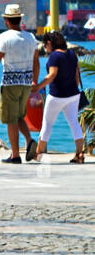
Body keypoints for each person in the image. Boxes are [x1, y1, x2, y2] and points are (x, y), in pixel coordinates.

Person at [0, 3, 40, 164]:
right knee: (19, 116)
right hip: (26, 83)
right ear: (20, 19)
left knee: (10, 119)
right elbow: (36, 62)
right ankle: (29, 140)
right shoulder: (31, 38)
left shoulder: (5, 37)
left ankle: (15, 155)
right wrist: (34, 80)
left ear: (7, 20)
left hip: (10, 84)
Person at [31, 31, 85, 164]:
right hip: (73, 94)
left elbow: (52, 75)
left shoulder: (55, 56)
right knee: (74, 123)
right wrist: (73, 90)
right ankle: (80, 154)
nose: (45, 49)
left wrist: (37, 87)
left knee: (47, 124)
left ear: (49, 43)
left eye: (45, 46)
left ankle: (38, 153)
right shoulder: (72, 54)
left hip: (57, 96)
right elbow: (77, 76)